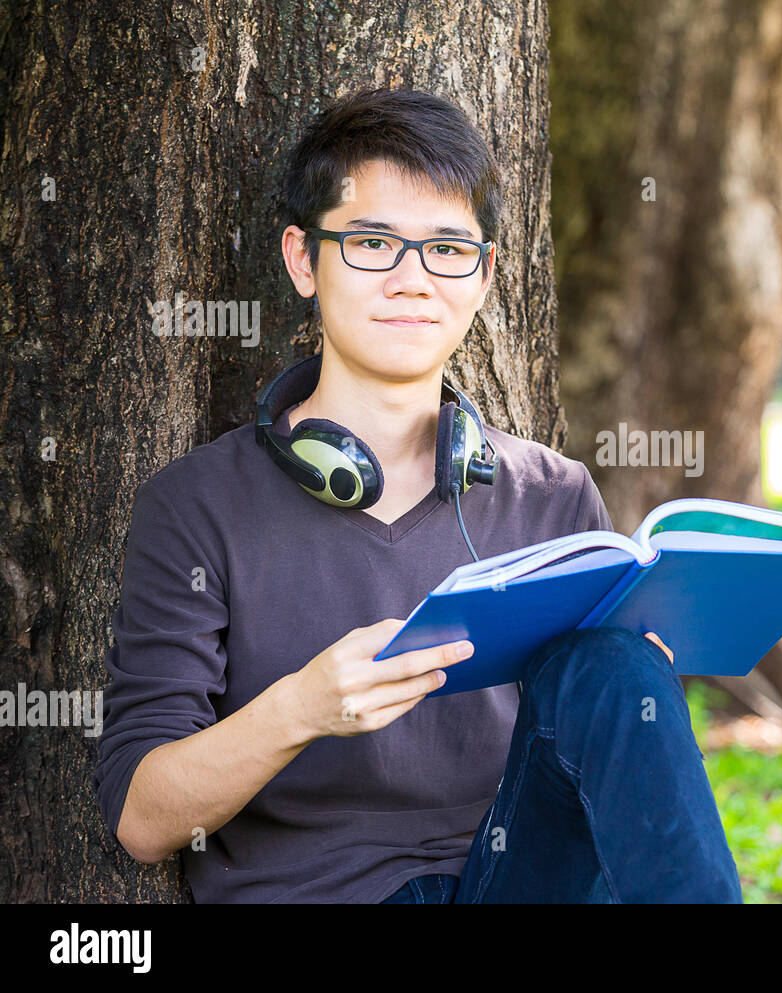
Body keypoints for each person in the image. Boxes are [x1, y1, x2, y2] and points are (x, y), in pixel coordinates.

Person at [94, 87, 742, 904]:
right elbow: (142, 818)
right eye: (372, 243)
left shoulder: (553, 493)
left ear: (485, 272)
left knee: (615, 664)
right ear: (303, 258)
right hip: (322, 894)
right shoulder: (194, 506)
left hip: (521, 878)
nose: (412, 280)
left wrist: (630, 698)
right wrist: (300, 707)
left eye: (446, 249)